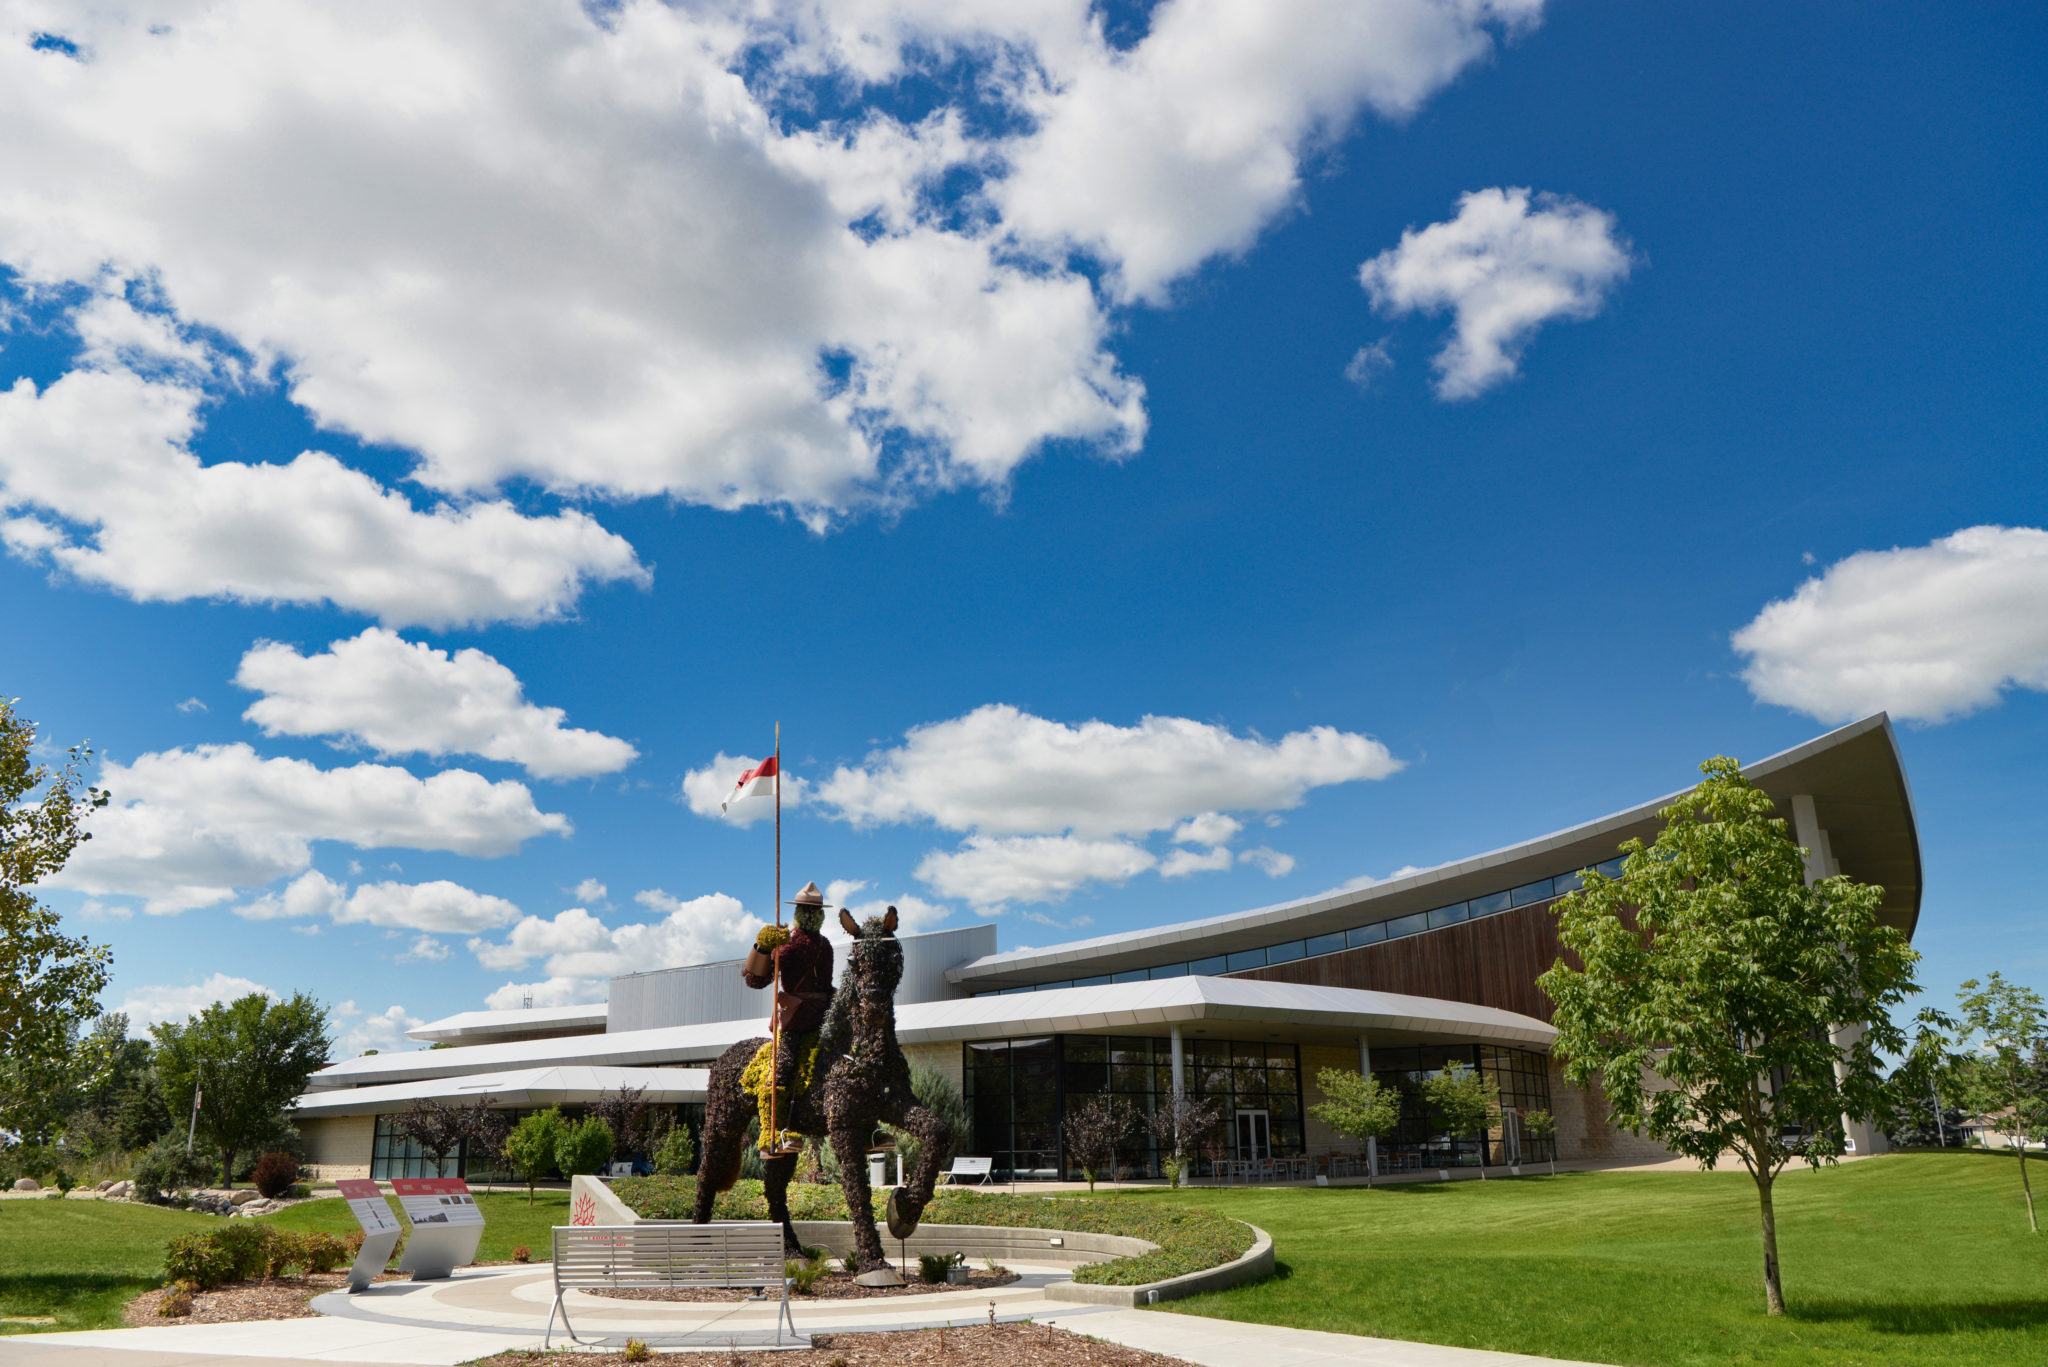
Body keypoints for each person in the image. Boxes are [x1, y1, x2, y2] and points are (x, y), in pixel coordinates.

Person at [741, 881, 835, 1152]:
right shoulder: (787, 943)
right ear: (799, 913)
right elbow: (755, 980)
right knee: (782, 1067)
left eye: (814, 910)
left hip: (825, 1017)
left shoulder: (826, 946)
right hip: (796, 1019)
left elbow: (826, 985)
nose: (811, 914)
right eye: (807, 910)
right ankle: (771, 1132)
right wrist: (763, 947)